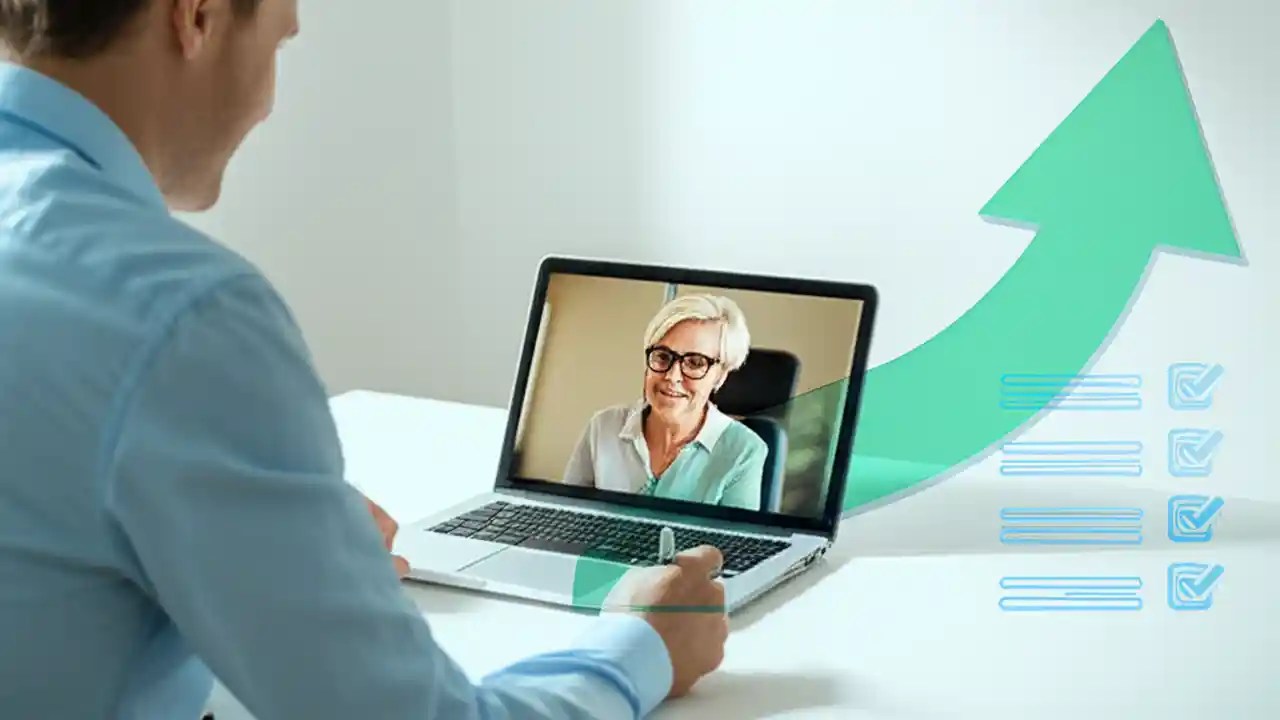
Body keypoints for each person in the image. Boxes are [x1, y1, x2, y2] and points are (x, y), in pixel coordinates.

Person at [0, 2, 728, 718]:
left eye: (695, 362)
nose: (267, 102)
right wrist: (643, 646)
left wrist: (261, 534)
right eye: (279, 46)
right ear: (197, 15)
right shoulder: (182, 316)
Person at [563, 294, 769, 510]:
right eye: (662, 356)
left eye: (695, 363)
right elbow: (565, 517)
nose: (672, 376)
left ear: (720, 376)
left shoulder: (744, 450)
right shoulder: (604, 426)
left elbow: (731, 534)